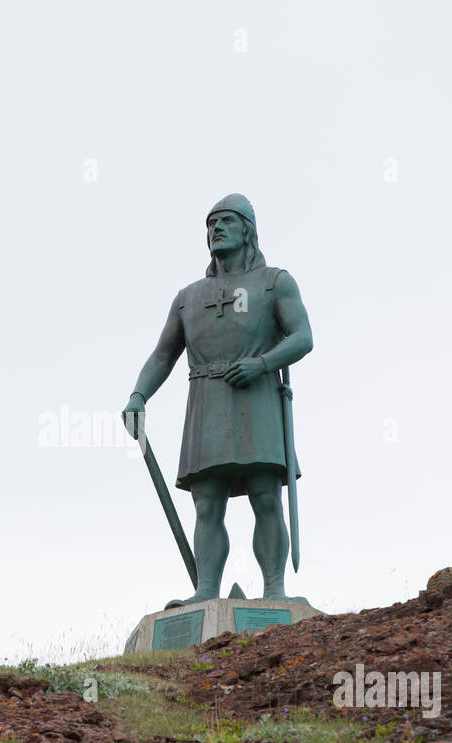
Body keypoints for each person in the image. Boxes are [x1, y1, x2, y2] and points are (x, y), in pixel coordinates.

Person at [122, 194, 313, 606]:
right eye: (210, 225)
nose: (216, 230)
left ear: (248, 229)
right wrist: (139, 395)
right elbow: (162, 355)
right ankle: (206, 590)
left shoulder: (274, 281)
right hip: (206, 400)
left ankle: (274, 590)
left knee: (266, 494)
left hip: (257, 393)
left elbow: (302, 337)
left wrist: (262, 364)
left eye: (226, 222)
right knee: (207, 502)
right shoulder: (188, 297)